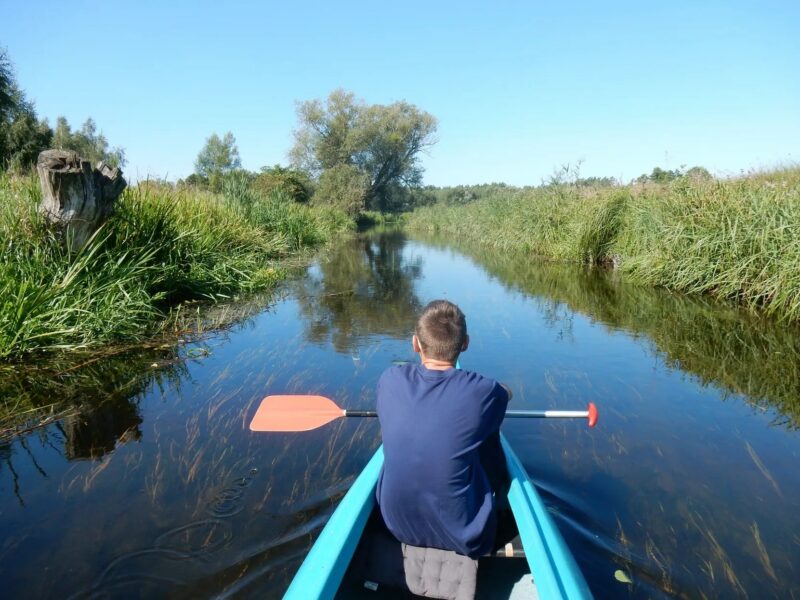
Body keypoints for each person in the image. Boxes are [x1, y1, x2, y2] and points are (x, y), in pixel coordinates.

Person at [375, 299, 512, 559]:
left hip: (395, 527)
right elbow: (505, 393)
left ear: (415, 343)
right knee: (488, 443)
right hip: (466, 538)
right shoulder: (483, 391)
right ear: (465, 343)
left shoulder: (389, 379)